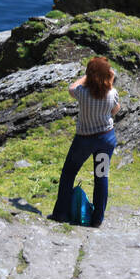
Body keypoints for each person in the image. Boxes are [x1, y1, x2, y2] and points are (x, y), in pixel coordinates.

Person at [48, 57, 119, 228]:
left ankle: (60, 214)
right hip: (106, 139)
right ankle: (97, 220)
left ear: (90, 76)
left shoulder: (82, 92)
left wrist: (85, 77)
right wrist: (109, 81)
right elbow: (115, 110)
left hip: (84, 141)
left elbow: (71, 88)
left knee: (69, 173)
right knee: (101, 177)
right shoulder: (112, 93)